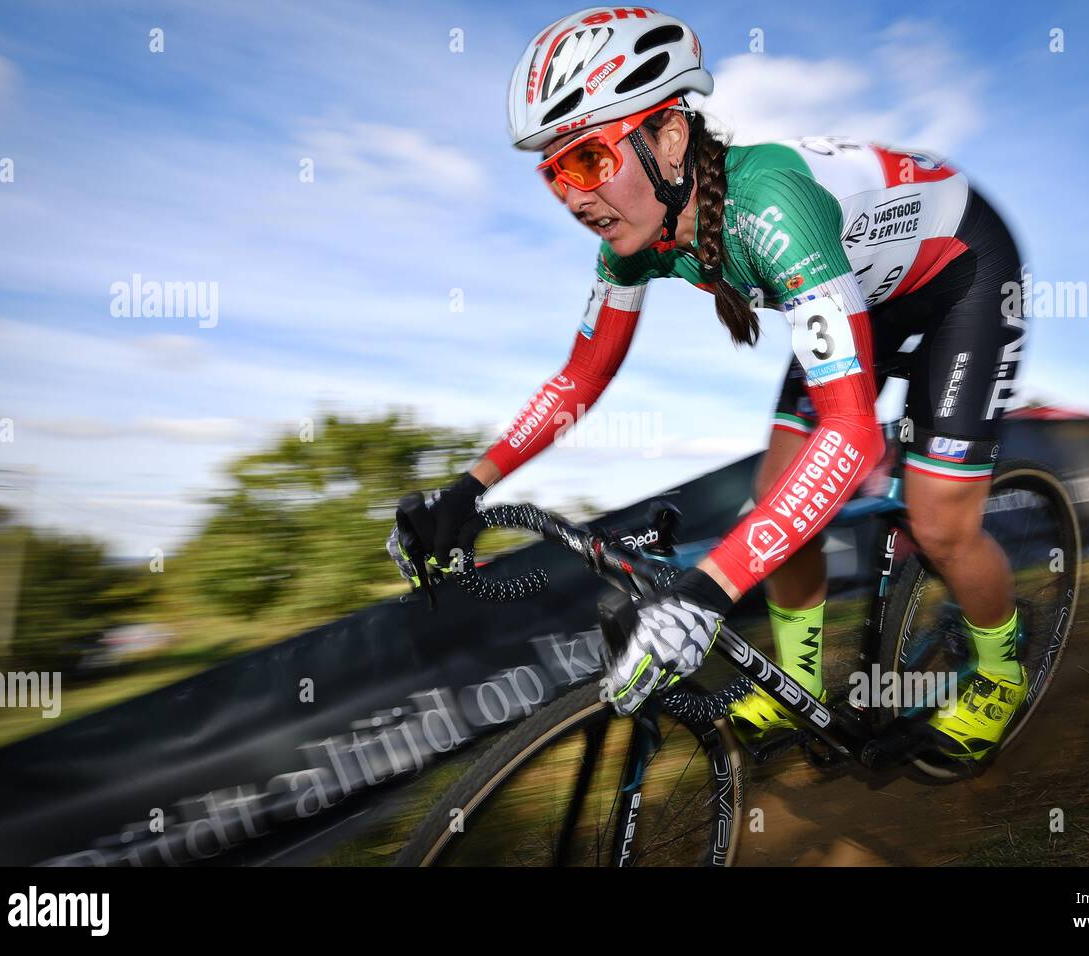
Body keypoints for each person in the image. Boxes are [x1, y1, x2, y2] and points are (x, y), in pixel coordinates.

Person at [394, 7, 1029, 762]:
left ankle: (1002, 671)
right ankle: (799, 685)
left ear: (669, 137)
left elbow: (852, 434)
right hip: (860, 289)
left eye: (588, 160)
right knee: (776, 501)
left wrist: (708, 591)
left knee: (941, 524)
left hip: (962, 277)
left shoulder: (774, 208)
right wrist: (468, 488)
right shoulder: (636, 238)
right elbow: (584, 374)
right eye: (553, 173)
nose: (572, 197)